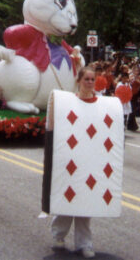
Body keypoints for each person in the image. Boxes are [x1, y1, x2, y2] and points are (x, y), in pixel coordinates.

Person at [50, 66, 97, 258]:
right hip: (70, 159)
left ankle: (84, 244)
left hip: (90, 159)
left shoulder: (102, 104)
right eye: (86, 79)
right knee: (67, 200)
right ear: (79, 81)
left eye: (92, 79)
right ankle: (58, 235)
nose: (90, 83)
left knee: (85, 202)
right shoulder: (67, 102)